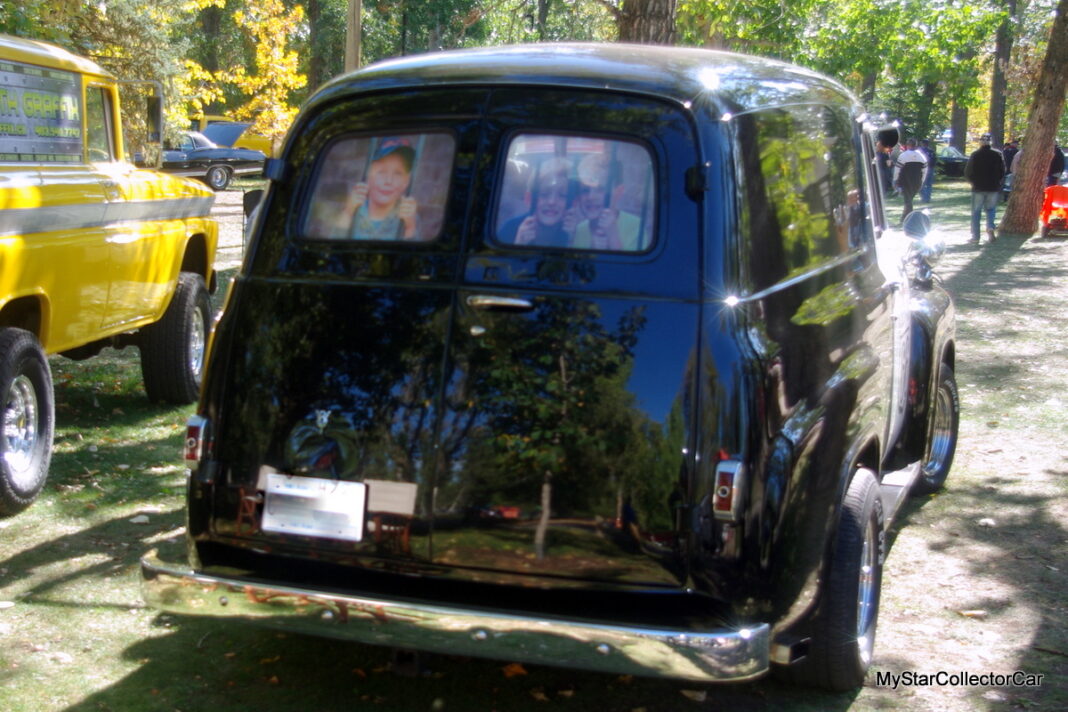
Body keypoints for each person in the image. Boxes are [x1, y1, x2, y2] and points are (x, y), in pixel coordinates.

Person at [567, 154, 644, 251]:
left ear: (619, 192)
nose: (591, 197)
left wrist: (613, 236)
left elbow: (633, 265)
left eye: (601, 189)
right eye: (585, 190)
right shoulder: (580, 229)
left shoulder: (636, 226)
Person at [347, 137, 419, 240]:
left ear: (406, 181)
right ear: (368, 175)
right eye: (381, 172)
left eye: (398, 174)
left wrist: (410, 227)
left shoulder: (409, 217)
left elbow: (412, 253)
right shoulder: (355, 209)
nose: (388, 181)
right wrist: (348, 212)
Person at [498, 157, 572, 247]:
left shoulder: (574, 231)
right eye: (544, 194)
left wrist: (572, 239)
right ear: (528, 199)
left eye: (562, 195)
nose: (552, 202)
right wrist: (519, 244)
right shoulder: (510, 229)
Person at [964, 133, 1005, 244]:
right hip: (993, 187)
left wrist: (972, 182)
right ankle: (990, 227)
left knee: (976, 212)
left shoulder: (975, 155)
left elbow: (968, 172)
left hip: (978, 187)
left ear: (980, 142)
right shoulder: (997, 155)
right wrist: (998, 182)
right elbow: (1002, 171)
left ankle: (975, 236)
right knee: (991, 210)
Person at [893, 137, 928, 222]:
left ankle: (908, 218)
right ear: (916, 146)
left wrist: (895, 180)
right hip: (916, 181)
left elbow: (897, 170)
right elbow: (924, 171)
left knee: (908, 200)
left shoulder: (903, 156)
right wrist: (921, 182)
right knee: (909, 200)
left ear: (908, 145)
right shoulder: (922, 157)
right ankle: (905, 218)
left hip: (905, 181)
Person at [918, 138, 936, 204]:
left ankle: (924, 197)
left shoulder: (920, 151)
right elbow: (935, 160)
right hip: (931, 168)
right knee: (929, 184)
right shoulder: (932, 151)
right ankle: (927, 198)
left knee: (920, 184)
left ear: (922, 143)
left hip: (922, 169)